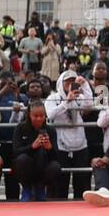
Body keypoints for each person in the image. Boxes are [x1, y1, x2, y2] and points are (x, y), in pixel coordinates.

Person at [45, 70, 94, 199]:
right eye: (68, 82)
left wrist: (85, 85)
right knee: (61, 181)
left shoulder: (80, 97)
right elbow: (50, 115)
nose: (71, 84)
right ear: (61, 83)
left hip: (80, 144)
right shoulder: (52, 98)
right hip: (61, 145)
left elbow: (90, 103)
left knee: (81, 180)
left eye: (73, 81)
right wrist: (66, 102)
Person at [12, 100, 62, 201]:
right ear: (29, 115)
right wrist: (32, 147)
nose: (39, 119)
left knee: (55, 167)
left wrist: (49, 148)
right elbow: (15, 151)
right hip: (26, 167)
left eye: (42, 115)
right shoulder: (20, 128)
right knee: (22, 159)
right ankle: (26, 188)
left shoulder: (50, 130)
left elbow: (56, 157)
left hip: (43, 167)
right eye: (35, 116)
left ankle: (40, 187)